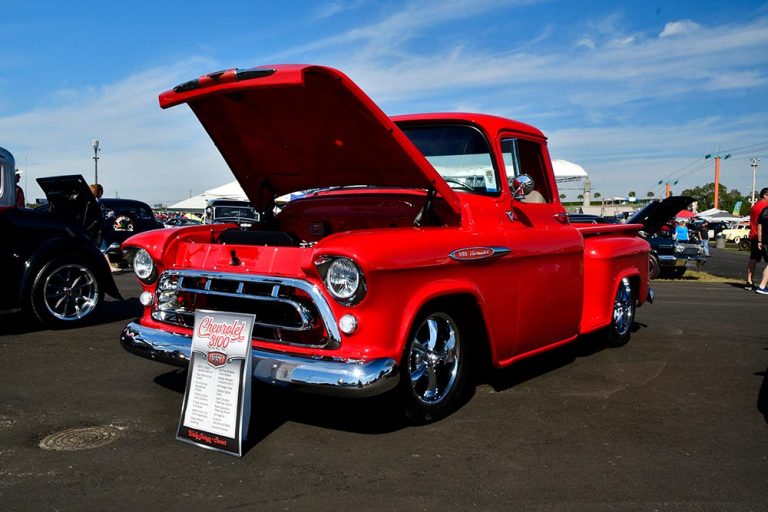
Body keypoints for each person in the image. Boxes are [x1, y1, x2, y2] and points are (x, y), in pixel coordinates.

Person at [745, 187, 768, 290]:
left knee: (753, 258)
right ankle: (763, 284)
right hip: (762, 237)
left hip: (754, 235)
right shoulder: (765, 207)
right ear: (765, 195)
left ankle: (749, 281)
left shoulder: (755, 206)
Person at [755, 204, 768, 294]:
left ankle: (763, 286)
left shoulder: (763, 211)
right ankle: (762, 286)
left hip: (764, 240)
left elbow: (759, 227)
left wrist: (760, 241)